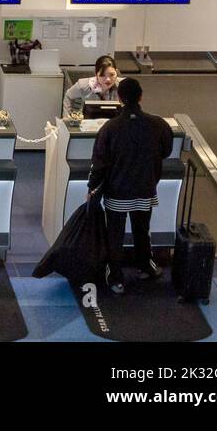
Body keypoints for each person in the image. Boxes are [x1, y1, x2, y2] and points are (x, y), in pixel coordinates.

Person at [87, 78, 172, 294]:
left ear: (119, 98)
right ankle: (146, 267)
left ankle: (116, 277)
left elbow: (100, 162)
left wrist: (92, 187)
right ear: (141, 96)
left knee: (114, 234)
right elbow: (166, 151)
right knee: (142, 230)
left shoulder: (110, 128)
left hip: (117, 191)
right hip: (145, 188)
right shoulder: (158, 124)